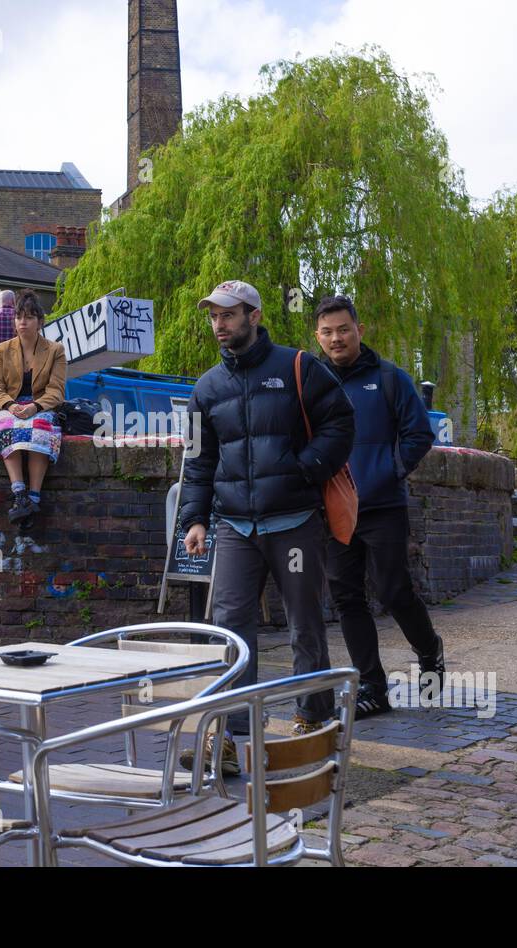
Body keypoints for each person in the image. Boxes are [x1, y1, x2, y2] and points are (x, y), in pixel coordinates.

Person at [178, 280, 355, 773]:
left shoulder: (298, 366)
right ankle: (232, 737)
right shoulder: (207, 387)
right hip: (235, 526)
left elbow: (340, 424)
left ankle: (312, 723)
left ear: (253, 317)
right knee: (230, 629)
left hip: (294, 520)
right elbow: (197, 460)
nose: (219, 324)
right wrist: (194, 518)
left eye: (229, 315)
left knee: (304, 623)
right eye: (214, 316)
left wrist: (305, 468)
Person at [314, 295, 445, 718]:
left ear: (359, 330)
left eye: (343, 329)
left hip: (382, 505)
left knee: (393, 591)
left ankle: (429, 650)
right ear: (318, 337)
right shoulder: (313, 383)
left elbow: (419, 434)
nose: (336, 338)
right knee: (346, 597)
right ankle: (372, 684)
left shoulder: (389, 378)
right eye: (327, 332)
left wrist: (389, 470)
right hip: (334, 510)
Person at [0, 289, 67, 529]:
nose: (23, 322)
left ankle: (33, 496)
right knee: (5, 424)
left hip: (40, 404)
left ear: (40, 322)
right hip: (10, 405)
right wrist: (11, 406)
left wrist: (34, 407)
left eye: (30, 317)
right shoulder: (2, 350)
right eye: (19, 316)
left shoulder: (55, 350)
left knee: (40, 427)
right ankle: (19, 493)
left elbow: (56, 390)